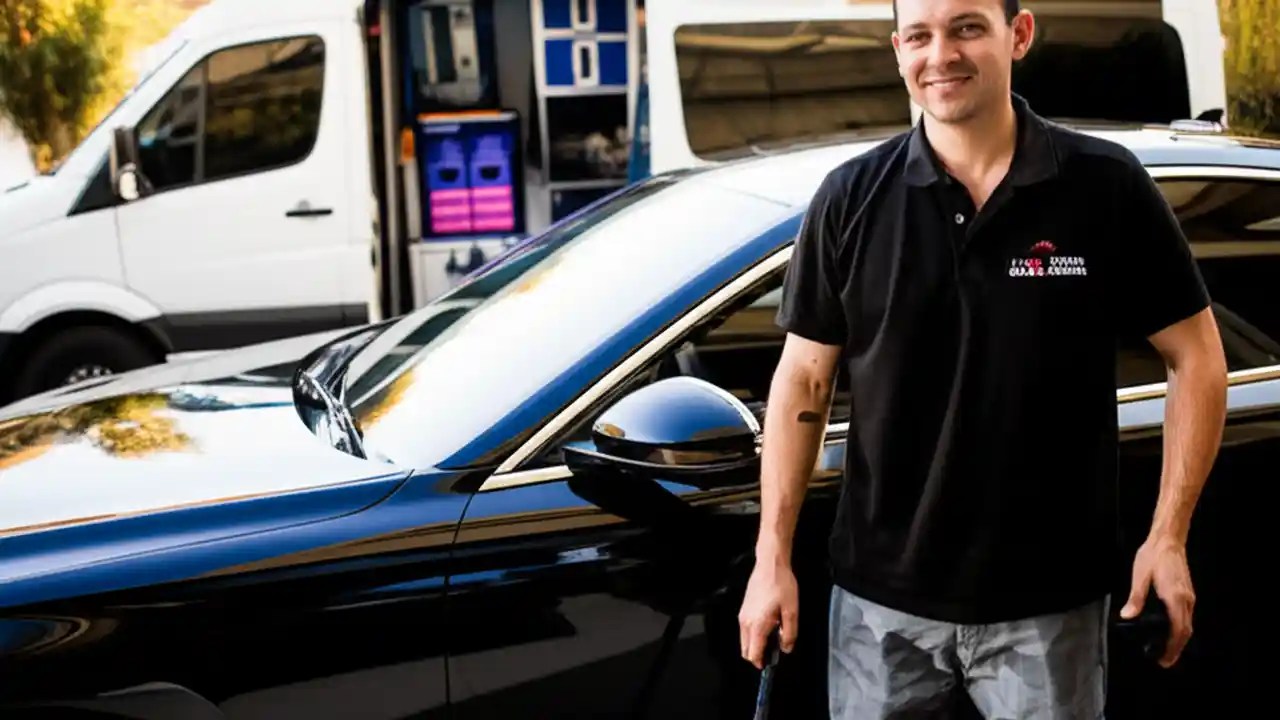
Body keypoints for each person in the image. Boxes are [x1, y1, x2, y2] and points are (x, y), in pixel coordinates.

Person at [736, 0, 1229, 717]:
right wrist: (771, 558)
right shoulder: (850, 199)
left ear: (1018, 34)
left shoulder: (1105, 185)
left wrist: (1168, 537)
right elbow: (803, 382)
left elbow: (1198, 357)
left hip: (1048, 605)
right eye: (920, 35)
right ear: (897, 50)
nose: (941, 55)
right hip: (880, 610)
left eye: (967, 27)